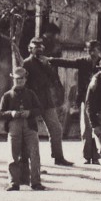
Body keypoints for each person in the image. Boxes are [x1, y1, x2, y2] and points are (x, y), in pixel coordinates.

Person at [21, 40, 68, 168]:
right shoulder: (26, 63)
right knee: (30, 131)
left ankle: (58, 157)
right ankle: (28, 160)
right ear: (30, 49)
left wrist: (48, 65)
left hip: (47, 101)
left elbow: (53, 79)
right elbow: (24, 83)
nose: (39, 50)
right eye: (35, 48)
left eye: (40, 47)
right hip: (33, 102)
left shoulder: (45, 62)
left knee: (56, 129)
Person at [4, 67, 45, 190]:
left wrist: (30, 112)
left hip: (29, 125)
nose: (19, 81)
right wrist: (11, 113)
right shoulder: (7, 95)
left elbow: (40, 109)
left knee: (34, 153)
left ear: (25, 79)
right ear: (13, 79)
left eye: (21, 79)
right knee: (13, 154)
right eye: (17, 79)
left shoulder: (31, 94)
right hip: (14, 126)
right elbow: (0, 113)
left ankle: (36, 182)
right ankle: (13, 182)